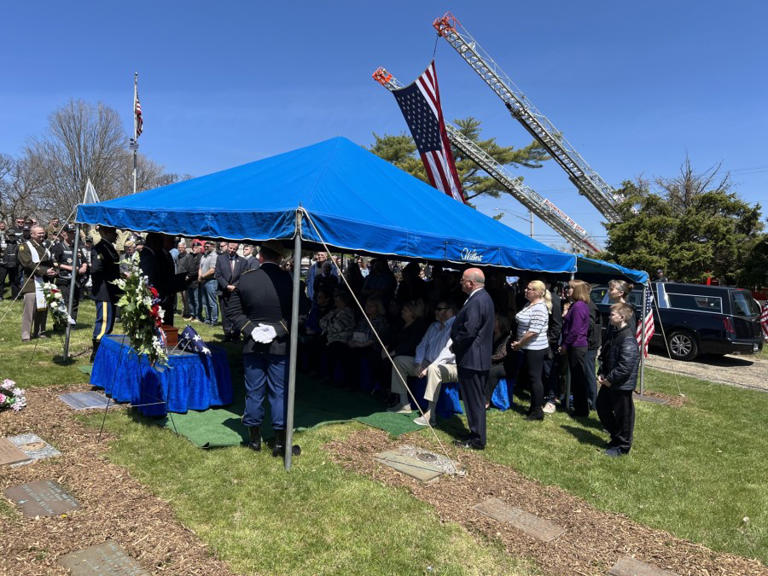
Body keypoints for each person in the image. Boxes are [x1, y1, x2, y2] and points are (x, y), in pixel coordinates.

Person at [226, 241, 299, 457]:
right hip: (279, 345)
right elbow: (300, 313)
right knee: (279, 392)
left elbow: (233, 312)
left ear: (261, 256)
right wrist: (278, 329)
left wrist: (250, 329)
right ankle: (278, 443)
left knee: (254, 391)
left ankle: (254, 440)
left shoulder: (246, 279)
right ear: (279, 257)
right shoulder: (290, 280)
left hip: (253, 345)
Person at [387, 300, 456, 422]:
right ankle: (404, 403)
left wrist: (429, 366)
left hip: (446, 365)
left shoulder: (455, 326)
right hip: (426, 362)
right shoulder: (434, 326)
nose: (436, 311)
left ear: (449, 311)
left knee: (435, 370)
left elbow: (448, 352)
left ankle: (430, 414)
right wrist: (419, 362)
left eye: (439, 309)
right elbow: (422, 345)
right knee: (399, 361)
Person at [451, 268, 494, 450]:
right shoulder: (482, 298)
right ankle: (474, 432)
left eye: (463, 280)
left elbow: (470, 330)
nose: (461, 282)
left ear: (471, 283)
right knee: (472, 399)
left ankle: (477, 439)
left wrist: (456, 343)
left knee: (474, 400)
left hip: (472, 358)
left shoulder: (478, 300)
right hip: (476, 356)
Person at [596, 303, 640, 457]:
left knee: (624, 417)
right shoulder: (615, 333)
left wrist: (610, 380)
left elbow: (625, 366)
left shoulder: (628, 338)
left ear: (621, 317)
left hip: (621, 385)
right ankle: (616, 437)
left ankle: (623, 446)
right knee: (601, 407)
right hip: (609, 382)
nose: (609, 316)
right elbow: (606, 356)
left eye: (612, 314)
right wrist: (601, 372)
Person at [509, 280, 551, 420]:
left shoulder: (539, 308)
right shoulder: (529, 304)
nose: (526, 290)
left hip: (535, 348)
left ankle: (537, 411)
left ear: (539, 292)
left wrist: (520, 343)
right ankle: (533, 408)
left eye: (530, 289)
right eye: (526, 288)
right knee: (532, 378)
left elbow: (533, 331)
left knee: (535, 379)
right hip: (527, 347)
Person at [17, 225, 57, 341]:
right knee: (30, 310)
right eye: (39, 233)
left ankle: (40, 331)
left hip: (45, 282)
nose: (42, 235)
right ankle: (26, 335)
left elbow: (50, 261)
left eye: (42, 233)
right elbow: (27, 263)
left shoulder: (45, 246)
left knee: (43, 309)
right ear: (32, 234)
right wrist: (44, 271)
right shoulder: (25, 246)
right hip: (31, 282)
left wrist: (54, 271)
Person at [139, 232, 187, 326]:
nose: (174, 242)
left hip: (166, 296)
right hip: (157, 297)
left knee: (167, 325)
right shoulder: (147, 254)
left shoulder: (164, 253)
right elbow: (149, 278)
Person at [90, 226, 122, 361]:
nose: (116, 235)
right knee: (103, 322)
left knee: (108, 322)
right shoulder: (101, 248)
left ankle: (101, 350)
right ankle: (96, 353)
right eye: (113, 232)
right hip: (104, 291)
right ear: (105, 233)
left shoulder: (110, 247)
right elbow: (96, 269)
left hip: (111, 291)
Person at [560, 279, 591, 417]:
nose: (568, 290)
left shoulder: (579, 306)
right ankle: (580, 407)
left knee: (578, 379)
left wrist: (565, 345)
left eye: (571, 288)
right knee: (577, 378)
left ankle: (581, 410)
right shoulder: (577, 305)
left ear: (577, 290)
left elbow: (574, 330)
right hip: (577, 345)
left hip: (576, 346)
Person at [50, 224, 88, 321]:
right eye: (70, 233)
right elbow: (54, 263)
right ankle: (61, 323)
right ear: (63, 233)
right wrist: (70, 268)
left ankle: (72, 322)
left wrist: (84, 266)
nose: (72, 235)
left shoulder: (77, 246)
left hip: (76, 279)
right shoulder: (58, 247)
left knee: (74, 302)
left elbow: (84, 260)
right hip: (63, 279)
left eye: (74, 233)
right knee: (63, 302)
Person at [215, 242, 247, 341]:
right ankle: (227, 334)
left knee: (237, 314)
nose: (232, 250)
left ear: (237, 249)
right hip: (224, 291)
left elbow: (244, 276)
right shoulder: (220, 258)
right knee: (224, 314)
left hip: (236, 292)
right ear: (227, 246)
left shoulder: (242, 261)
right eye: (230, 248)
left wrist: (234, 286)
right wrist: (226, 285)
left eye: (234, 249)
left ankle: (236, 334)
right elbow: (218, 274)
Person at [198, 241, 219, 325]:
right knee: (205, 302)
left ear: (213, 246)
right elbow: (200, 267)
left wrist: (202, 276)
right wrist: (200, 276)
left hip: (211, 281)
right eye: (205, 246)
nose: (205, 247)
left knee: (212, 302)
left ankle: (214, 320)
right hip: (203, 281)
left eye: (207, 246)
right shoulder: (204, 256)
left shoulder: (214, 256)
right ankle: (207, 319)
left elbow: (212, 270)